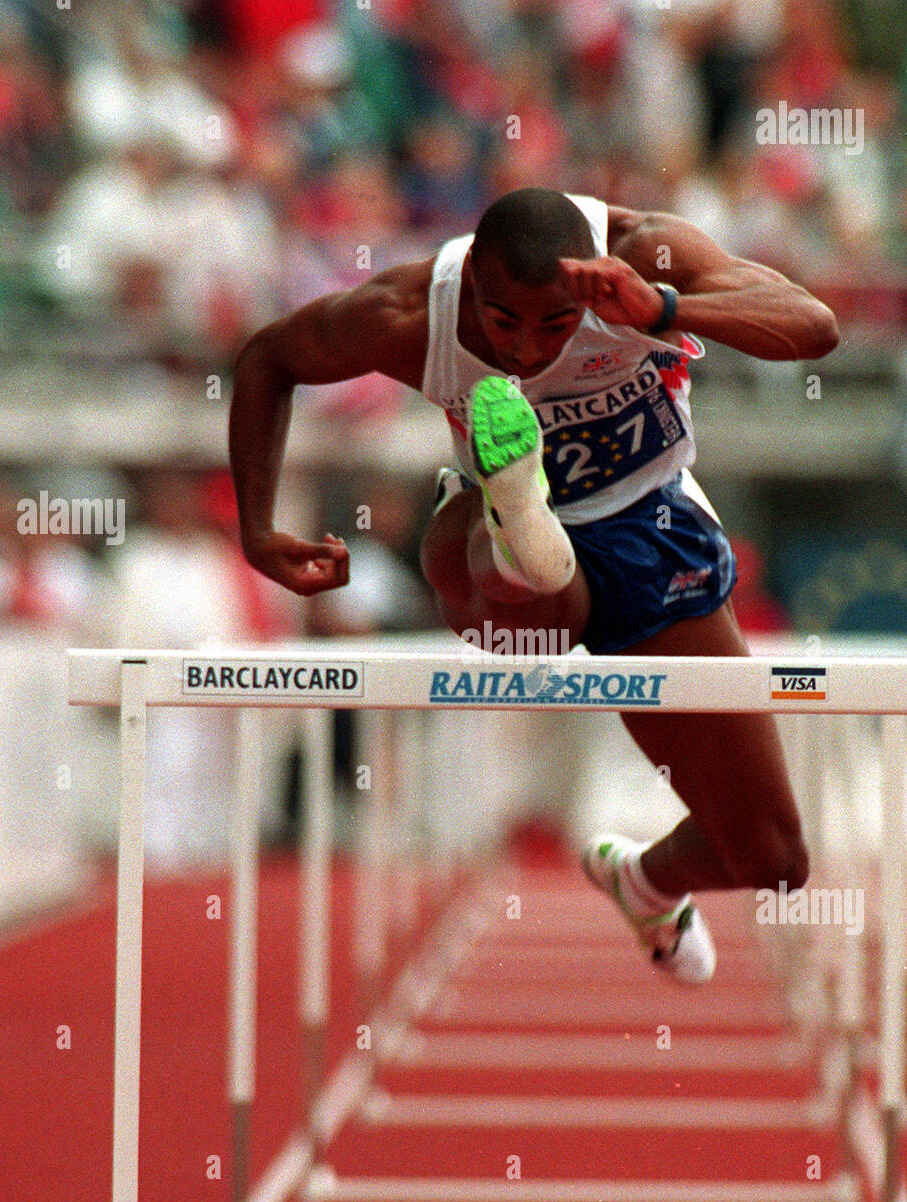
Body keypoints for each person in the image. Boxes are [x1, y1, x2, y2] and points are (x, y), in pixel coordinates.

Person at [229, 185, 839, 985]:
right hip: (480, 542)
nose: (522, 350)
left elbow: (814, 328)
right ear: (469, 279)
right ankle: (516, 505)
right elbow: (269, 358)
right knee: (541, 610)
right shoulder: (411, 314)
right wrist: (257, 527)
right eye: (500, 321)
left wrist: (659, 309)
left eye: (552, 325)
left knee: (773, 857)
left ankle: (643, 883)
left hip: (649, 531)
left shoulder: (643, 250)